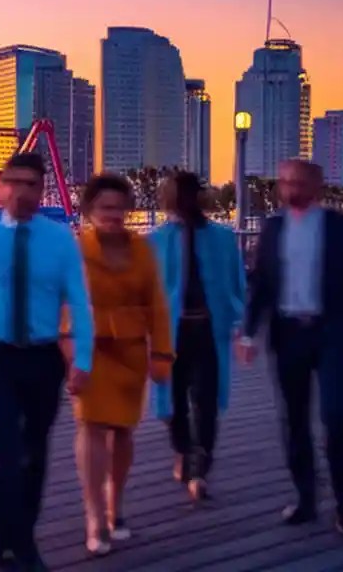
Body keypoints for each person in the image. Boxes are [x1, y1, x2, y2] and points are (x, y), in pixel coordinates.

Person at [0, 152, 94, 572]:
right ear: (0, 186)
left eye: (33, 184)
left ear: (42, 189)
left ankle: (22, 537)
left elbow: (80, 302)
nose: (23, 192)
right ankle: (9, 549)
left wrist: (82, 358)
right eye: (15, 182)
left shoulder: (61, 238)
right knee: (6, 456)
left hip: (45, 360)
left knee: (35, 455)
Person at [238, 159, 343, 535]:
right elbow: (261, 285)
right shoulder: (272, 229)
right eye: (284, 182)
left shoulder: (339, 228)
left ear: (316, 186)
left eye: (297, 183)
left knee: (336, 417)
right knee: (294, 421)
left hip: (330, 332)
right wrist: (249, 333)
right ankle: (305, 499)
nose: (290, 189)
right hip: (287, 336)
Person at [65, 174, 171, 556]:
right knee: (91, 426)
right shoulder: (76, 251)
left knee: (123, 433)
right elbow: (67, 304)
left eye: (119, 207)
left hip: (130, 353)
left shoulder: (141, 250)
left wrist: (162, 353)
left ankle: (116, 504)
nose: (113, 215)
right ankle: (94, 514)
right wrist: (70, 354)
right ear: (90, 211)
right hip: (90, 353)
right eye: (105, 208)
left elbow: (157, 304)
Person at [147, 171, 246, 503]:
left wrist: (239, 325)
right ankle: (183, 451)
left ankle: (199, 468)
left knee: (206, 401)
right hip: (169, 333)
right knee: (172, 402)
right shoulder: (157, 240)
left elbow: (236, 283)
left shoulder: (221, 238)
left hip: (208, 328)